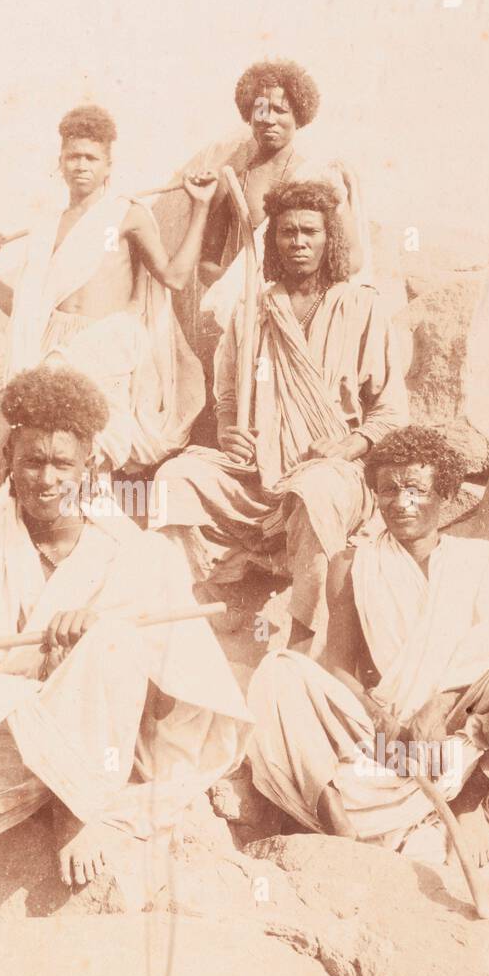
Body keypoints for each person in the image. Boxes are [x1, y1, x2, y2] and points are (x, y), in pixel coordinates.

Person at [0, 365, 252, 973]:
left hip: (103, 753)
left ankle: (74, 814)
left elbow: (176, 694)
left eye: (62, 464)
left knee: (111, 641)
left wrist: (95, 635)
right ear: (9, 458)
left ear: (92, 469)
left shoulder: (141, 553)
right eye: (32, 462)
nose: (46, 479)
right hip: (9, 739)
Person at [246, 426, 489, 871]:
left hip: (453, 729)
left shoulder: (481, 562)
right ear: (375, 494)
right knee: (278, 671)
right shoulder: (354, 564)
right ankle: (337, 819)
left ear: (444, 494)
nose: (402, 501)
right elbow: (337, 666)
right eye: (389, 489)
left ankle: (470, 805)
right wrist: (381, 719)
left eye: (416, 489)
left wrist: (441, 702)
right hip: (383, 734)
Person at [157, 179, 408, 647]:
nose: (297, 242)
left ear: (328, 237)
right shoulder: (252, 310)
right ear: (272, 239)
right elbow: (227, 394)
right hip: (256, 472)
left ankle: (299, 637)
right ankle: (209, 602)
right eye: (287, 232)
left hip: (334, 470)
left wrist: (349, 444)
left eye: (309, 231)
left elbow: (392, 413)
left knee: (314, 491)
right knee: (175, 477)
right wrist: (231, 432)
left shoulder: (362, 306)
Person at [0, 105, 214, 470]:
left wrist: (201, 207)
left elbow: (175, 277)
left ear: (108, 166)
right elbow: (23, 312)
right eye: (73, 157)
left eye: (91, 157)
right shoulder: (45, 226)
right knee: (42, 444)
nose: (81, 165)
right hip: (48, 342)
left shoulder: (125, 214)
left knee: (90, 438)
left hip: (105, 342)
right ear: (60, 161)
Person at [198, 57, 371, 331]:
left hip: (309, 315)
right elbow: (206, 264)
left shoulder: (320, 177)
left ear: (299, 117)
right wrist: (246, 293)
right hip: (250, 317)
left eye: (280, 110)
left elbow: (354, 255)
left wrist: (302, 294)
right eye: (261, 109)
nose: (269, 119)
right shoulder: (231, 180)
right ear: (249, 114)